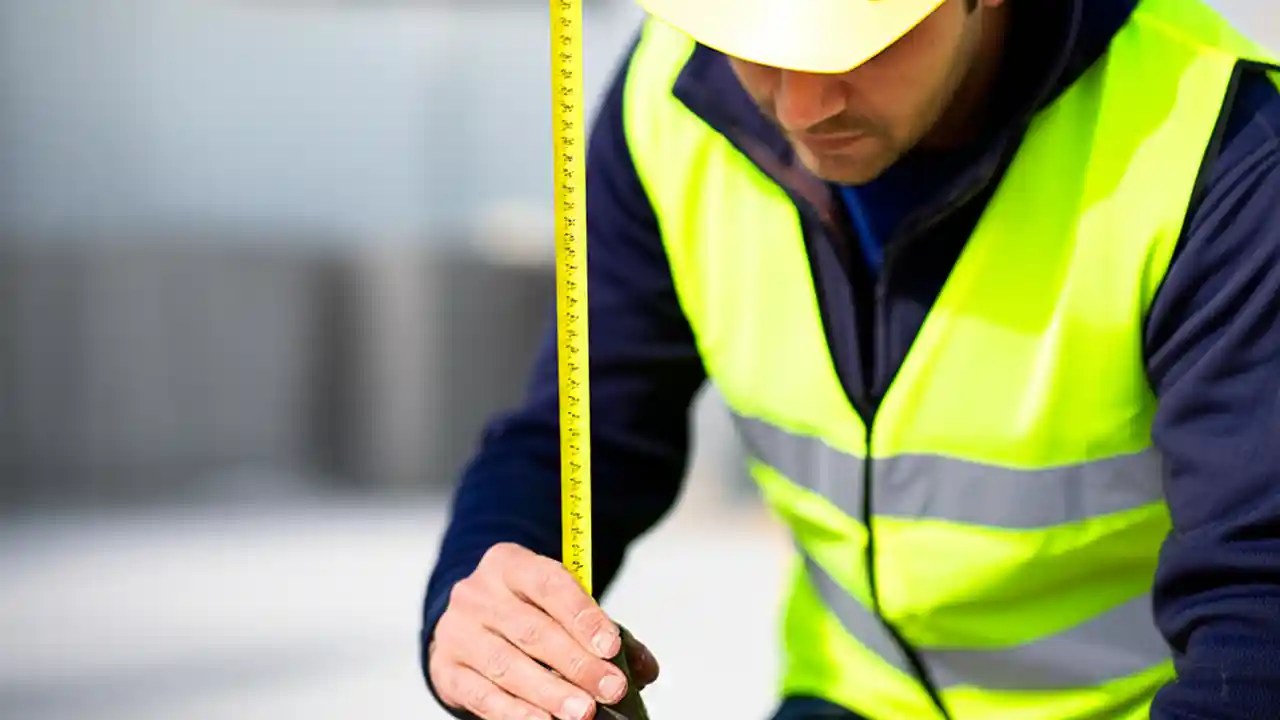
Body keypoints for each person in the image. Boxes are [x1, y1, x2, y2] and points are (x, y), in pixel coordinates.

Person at [421, 0, 1280, 717]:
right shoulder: (665, 95)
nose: (801, 107)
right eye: (758, 44)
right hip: (851, 700)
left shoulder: (1218, 146)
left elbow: (1258, 609)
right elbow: (578, 437)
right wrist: (488, 612)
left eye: (865, 45)